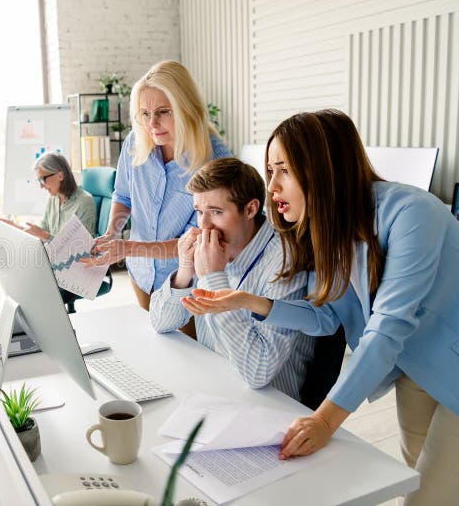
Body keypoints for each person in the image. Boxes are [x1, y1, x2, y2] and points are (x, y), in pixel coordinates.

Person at [185, 110, 459, 505]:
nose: (272, 185)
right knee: (416, 473)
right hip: (413, 363)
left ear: (322, 168)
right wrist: (250, 301)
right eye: (269, 170)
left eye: (283, 170)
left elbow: (386, 328)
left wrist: (325, 419)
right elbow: (325, 315)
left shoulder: (413, 214)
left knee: (433, 495)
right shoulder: (328, 229)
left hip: (447, 359)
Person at [150, 158, 314, 401]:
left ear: (250, 209)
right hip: (212, 387)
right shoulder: (213, 247)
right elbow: (160, 322)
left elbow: (258, 373)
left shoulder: (286, 261)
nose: (204, 225)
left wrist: (213, 278)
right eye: (199, 212)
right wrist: (186, 270)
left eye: (216, 212)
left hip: (268, 407)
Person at [86, 60, 231, 310]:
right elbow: (123, 195)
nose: (152, 124)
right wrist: (113, 232)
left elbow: (197, 241)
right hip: (141, 276)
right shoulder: (135, 142)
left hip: (187, 287)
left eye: (163, 112)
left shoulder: (215, 159)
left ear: (186, 107)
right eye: (145, 114)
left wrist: (128, 247)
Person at [0, 152, 96, 241]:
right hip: (50, 255)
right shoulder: (52, 198)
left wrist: (45, 236)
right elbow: (43, 230)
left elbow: (82, 246)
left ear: (60, 176)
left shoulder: (84, 202)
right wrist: (16, 228)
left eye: (42, 180)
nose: (41, 186)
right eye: (39, 181)